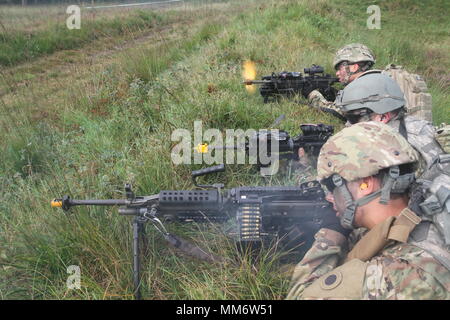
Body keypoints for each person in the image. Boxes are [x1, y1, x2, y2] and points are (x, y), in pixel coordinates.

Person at [286, 121, 450, 299]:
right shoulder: (427, 202)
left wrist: (331, 235)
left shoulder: (401, 275)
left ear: (366, 184)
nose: (329, 196)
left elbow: (300, 296)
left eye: (332, 185)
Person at [307, 43, 377, 114]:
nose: (337, 73)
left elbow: (341, 113)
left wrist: (313, 94)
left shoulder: (362, 87)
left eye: (339, 68)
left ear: (354, 67)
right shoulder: (374, 81)